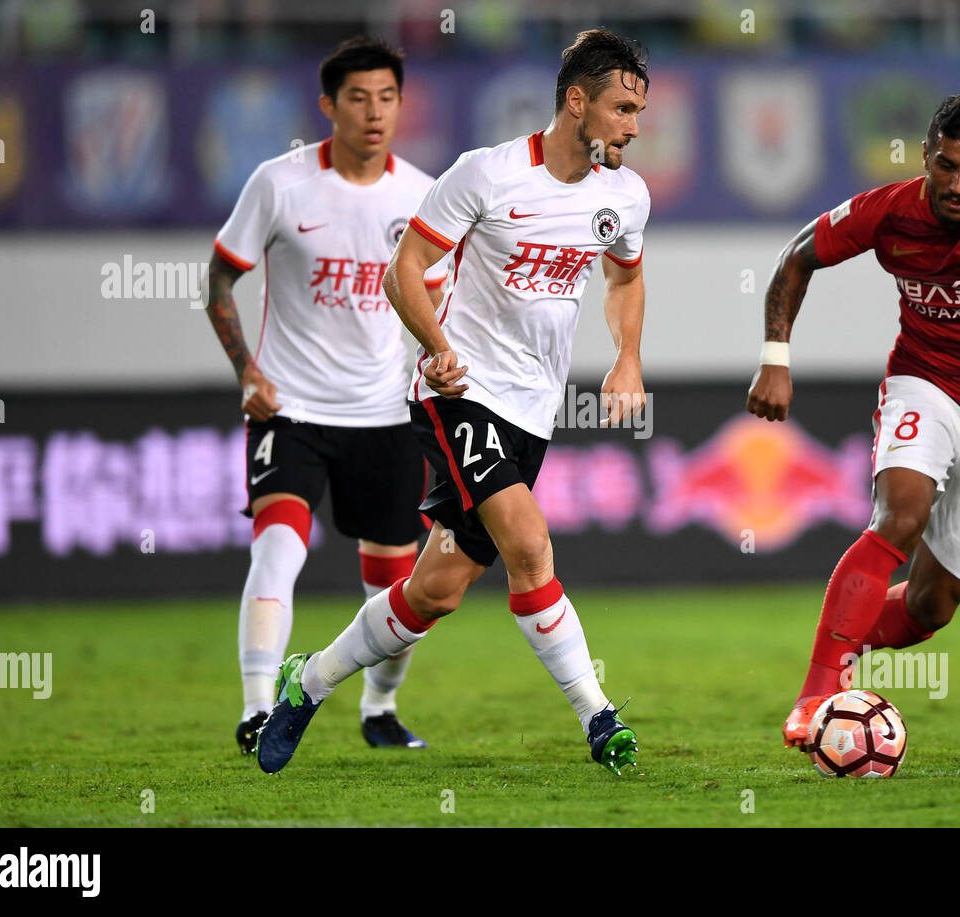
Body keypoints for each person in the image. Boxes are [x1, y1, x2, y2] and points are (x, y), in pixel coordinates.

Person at [255, 28, 651, 777]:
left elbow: (625, 281)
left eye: (638, 110)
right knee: (529, 545)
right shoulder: (489, 174)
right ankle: (599, 716)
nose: (634, 126)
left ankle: (306, 682)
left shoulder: (624, 196)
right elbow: (406, 265)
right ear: (577, 101)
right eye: (623, 108)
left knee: (433, 592)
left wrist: (628, 357)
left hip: (534, 411)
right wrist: (436, 346)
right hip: (461, 393)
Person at [746, 90, 960, 751]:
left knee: (930, 607)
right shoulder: (890, 210)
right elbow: (798, 257)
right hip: (925, 384)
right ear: (926, 159)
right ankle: (817, 691)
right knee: (899, 513)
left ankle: (839, 636)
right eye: (946, 166)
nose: (959, 184)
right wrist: (775, 357)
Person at [205, 36, 448, 755]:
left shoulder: (422, 195)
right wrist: (247, 370)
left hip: (384, 413)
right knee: (277, 551)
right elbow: (222, 276)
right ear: (327, 105)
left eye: (387, 98)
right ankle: (256, 710)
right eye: (357, 97)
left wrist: (439, 357)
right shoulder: (280, 184)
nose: (374, 113)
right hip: (292, 410)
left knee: (400, 584)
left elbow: (437, 297)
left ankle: (380, 707)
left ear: (401, 105)